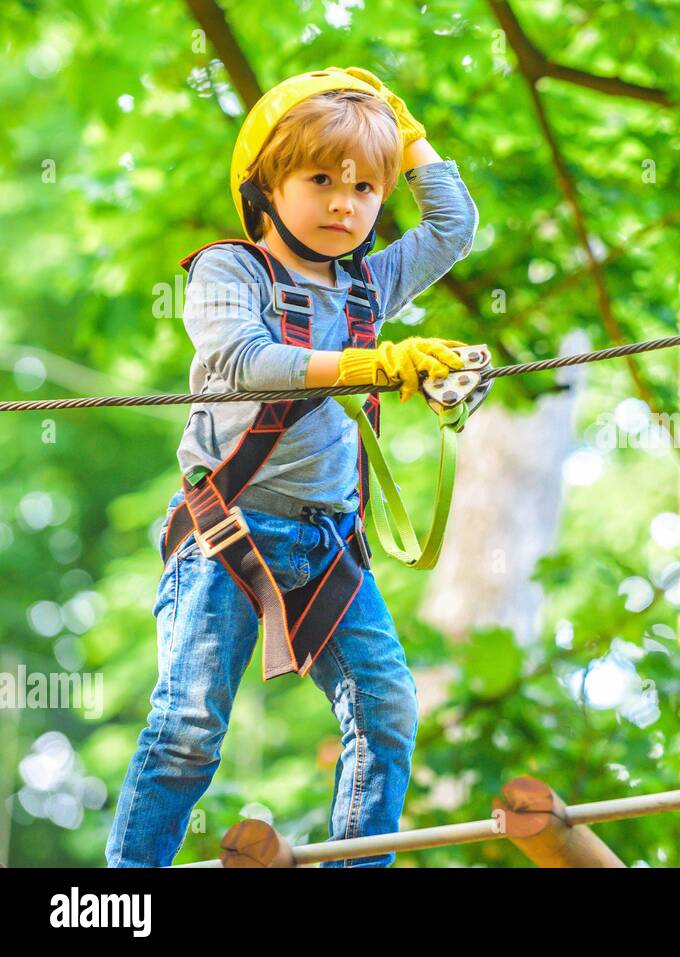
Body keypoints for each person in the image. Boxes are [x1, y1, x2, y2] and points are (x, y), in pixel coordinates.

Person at [105, 66, 479, 867]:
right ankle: (126, 890)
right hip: (229, 534)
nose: (346, 204)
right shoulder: (230, 272)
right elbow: (243, 358)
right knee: (189, 728)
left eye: (366, 187)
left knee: (386, 711)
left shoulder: (367, 285)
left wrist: (410, 144)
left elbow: (452, 228)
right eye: (322, 180)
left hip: (328, 543)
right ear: (266, 185)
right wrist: (364, 365)